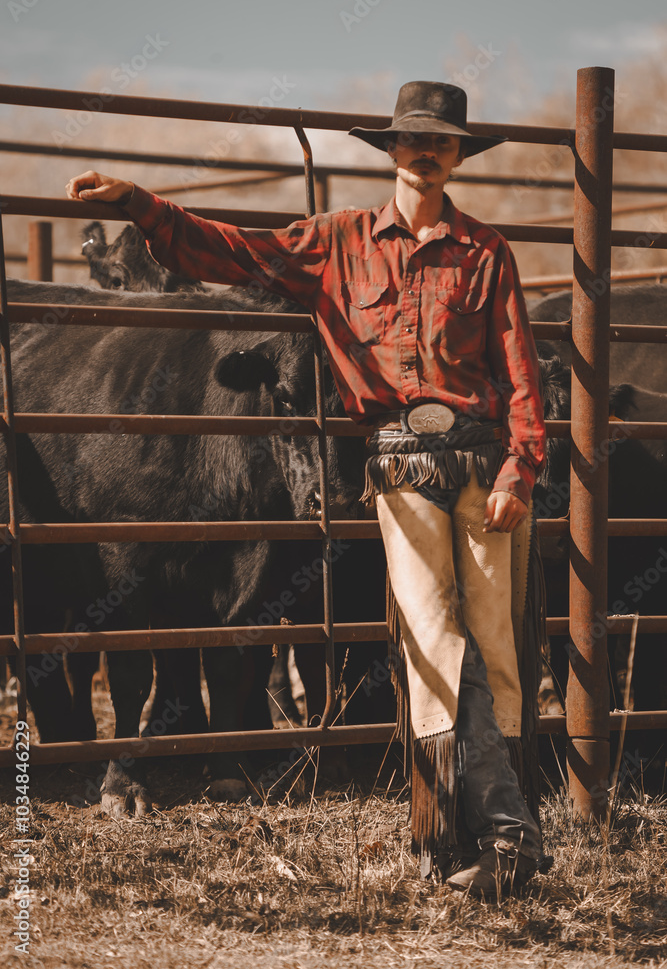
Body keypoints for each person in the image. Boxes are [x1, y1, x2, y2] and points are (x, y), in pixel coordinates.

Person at [66, 81, 548, 898]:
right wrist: (144, 207)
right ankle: (468, 838)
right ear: (391, 152)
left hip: (483, 461)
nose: (424, 152)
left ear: (458, 154)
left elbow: (521, 374)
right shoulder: (338, 242)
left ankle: (495, 833)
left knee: (497, 649)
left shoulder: (487, 253)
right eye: (410, 140)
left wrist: (519, 470)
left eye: (440, 141)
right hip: (399, 466)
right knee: (432, 647)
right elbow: (227, 250)